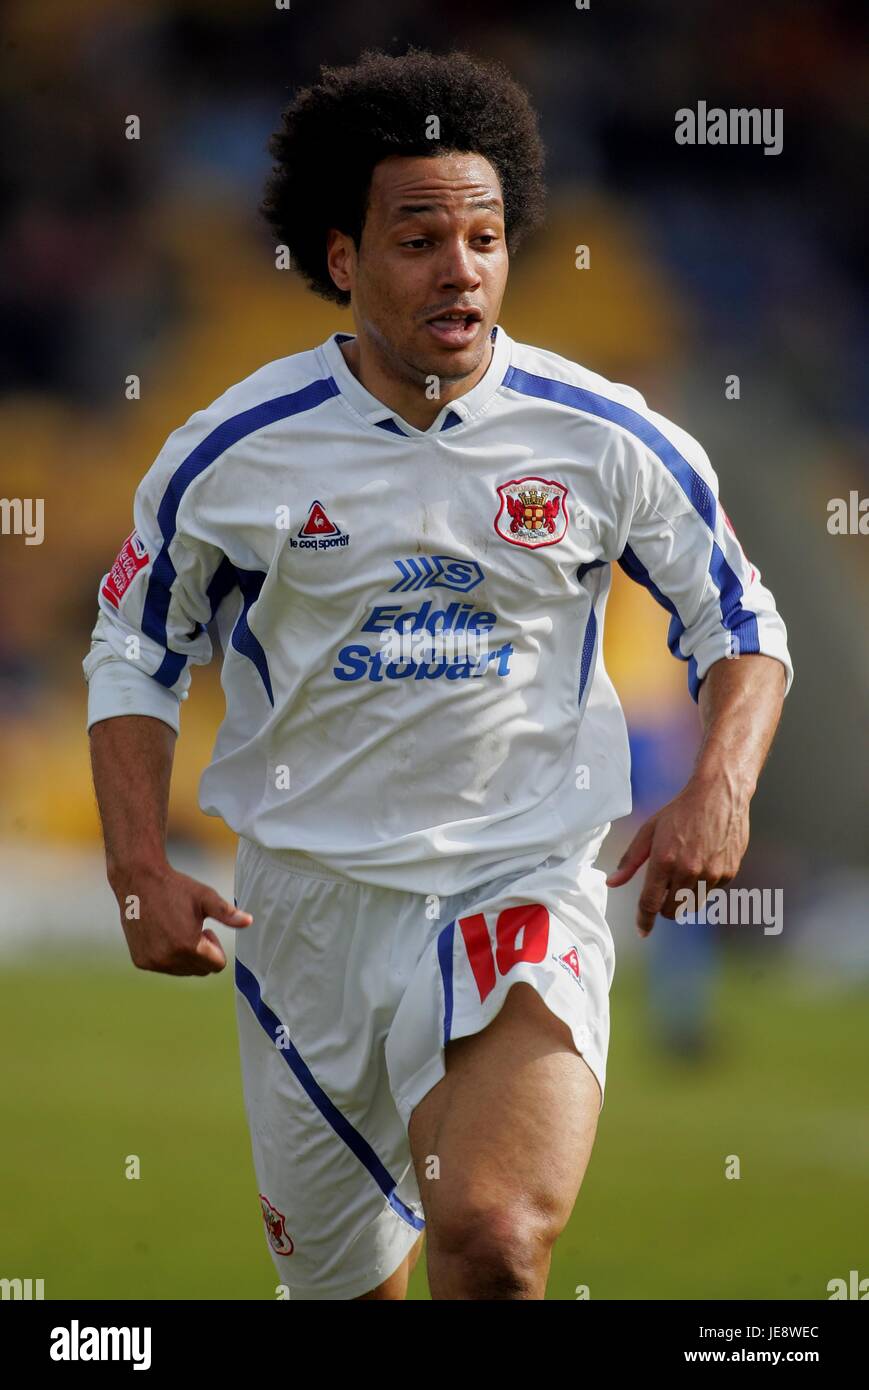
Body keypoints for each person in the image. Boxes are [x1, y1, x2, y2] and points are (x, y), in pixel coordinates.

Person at [84, 48, 793, 1300]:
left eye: (482, 235)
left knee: (495, 1241)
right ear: (342, 259)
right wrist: (136, 865)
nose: (458, 268)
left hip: (513, 879)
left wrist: (719, 785)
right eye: (418, 239)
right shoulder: (232, 453)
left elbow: (738, 622)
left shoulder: (604, 438)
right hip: (303, 914)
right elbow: (135, 649)